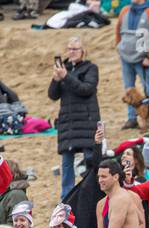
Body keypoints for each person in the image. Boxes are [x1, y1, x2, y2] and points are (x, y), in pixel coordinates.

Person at [48, 37, 100, 200]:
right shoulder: (64, 69)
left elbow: (86, 89)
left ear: (83, 51)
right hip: (68, 124)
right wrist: (56, 80)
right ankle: (67, 199)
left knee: (91, 162)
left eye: (75, 49)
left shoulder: (91, 68)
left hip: (86, 121)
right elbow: (52, 95)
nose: (71, 52)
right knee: (66, 166)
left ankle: (92, 195)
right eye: (69, 49)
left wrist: (66, 76)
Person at [114, 0, 149, 131]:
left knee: (148, 89)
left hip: (143, 59)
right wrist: (120, 47)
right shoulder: (125, 10)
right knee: (128, 88)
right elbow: (118, 30)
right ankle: (132, 118)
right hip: (126, 57)